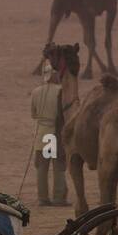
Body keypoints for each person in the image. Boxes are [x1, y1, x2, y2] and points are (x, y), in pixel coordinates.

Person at [30, 63, 68, 206]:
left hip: (42, 135)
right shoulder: (61, 91)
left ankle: (43, 198)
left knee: (42, 168)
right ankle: (59, 197)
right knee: (58, 166)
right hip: (55, 135)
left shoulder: (36, 92)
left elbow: (33, 114)